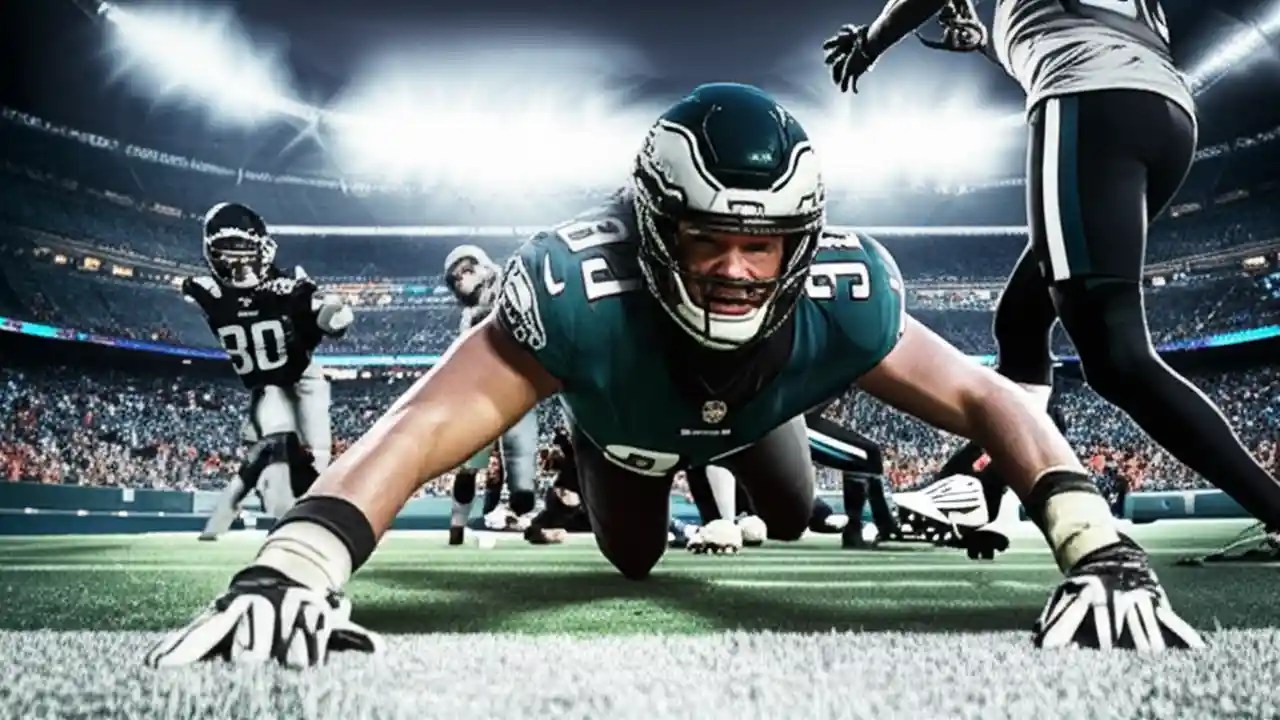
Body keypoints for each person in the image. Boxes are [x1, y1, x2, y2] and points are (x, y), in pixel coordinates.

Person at [146, 83, 1201, 668]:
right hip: (631, 430)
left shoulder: (844, 289)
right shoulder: (577, 286)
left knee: (788, 520)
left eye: (765, 242)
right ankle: (600, 441)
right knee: (636, 563)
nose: (740, 269)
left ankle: (750, 437)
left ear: (805, 239)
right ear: (651, 222)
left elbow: (984, 397)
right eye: (707, 237)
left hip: (763, 405)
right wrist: (297, 561)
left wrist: (1095, 547)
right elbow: (418, 428)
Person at [822, 0, 1280, 546]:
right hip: (1163, 112)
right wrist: (987, 44)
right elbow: (1067, 27)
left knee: (1115, 357)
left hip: (1089, 95)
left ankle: (1273, 506)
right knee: (1021, 318)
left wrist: (870, 41)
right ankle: (976, 487)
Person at [183, 202, 352, 538]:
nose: (239, 265)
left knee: (313, 462)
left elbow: (332, 321)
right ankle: (241, 515)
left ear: (264, 251)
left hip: (305, 379)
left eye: (245, 254)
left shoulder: (289, 285)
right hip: (269, 385)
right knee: (279, 448)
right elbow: (210, 294)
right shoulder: (207, 291)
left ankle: (283, 515)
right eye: (228, 255)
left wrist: (329, 309)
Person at [440, 245, 541, 545]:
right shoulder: (470, 315)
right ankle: (457, 528)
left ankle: (517, 505)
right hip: (482, 392)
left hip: (514, 385)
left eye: (466, 271)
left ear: (484, 268)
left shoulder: (509, 287)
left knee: (520, 475)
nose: (461, 281)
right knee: (469, 465)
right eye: (456, 278)